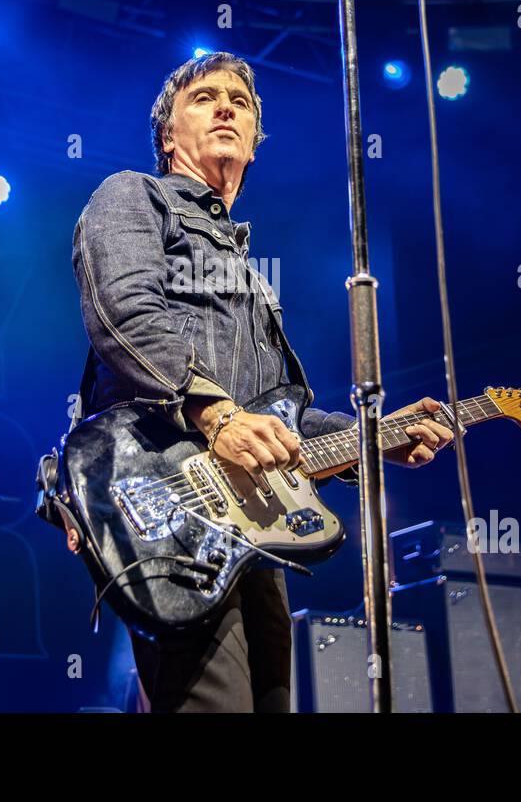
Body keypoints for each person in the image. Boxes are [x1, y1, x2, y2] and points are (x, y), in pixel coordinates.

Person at [68, 51, 453, 712]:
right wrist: (218, 417)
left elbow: (286, 421)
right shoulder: (133, 195)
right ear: (168, 135)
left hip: (252, 528)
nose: (225, 107)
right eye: (205, 98)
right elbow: (124, 314)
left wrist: (376, 437)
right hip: (167, 507)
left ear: (253, 144)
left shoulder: (251, 280)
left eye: (239, 103)